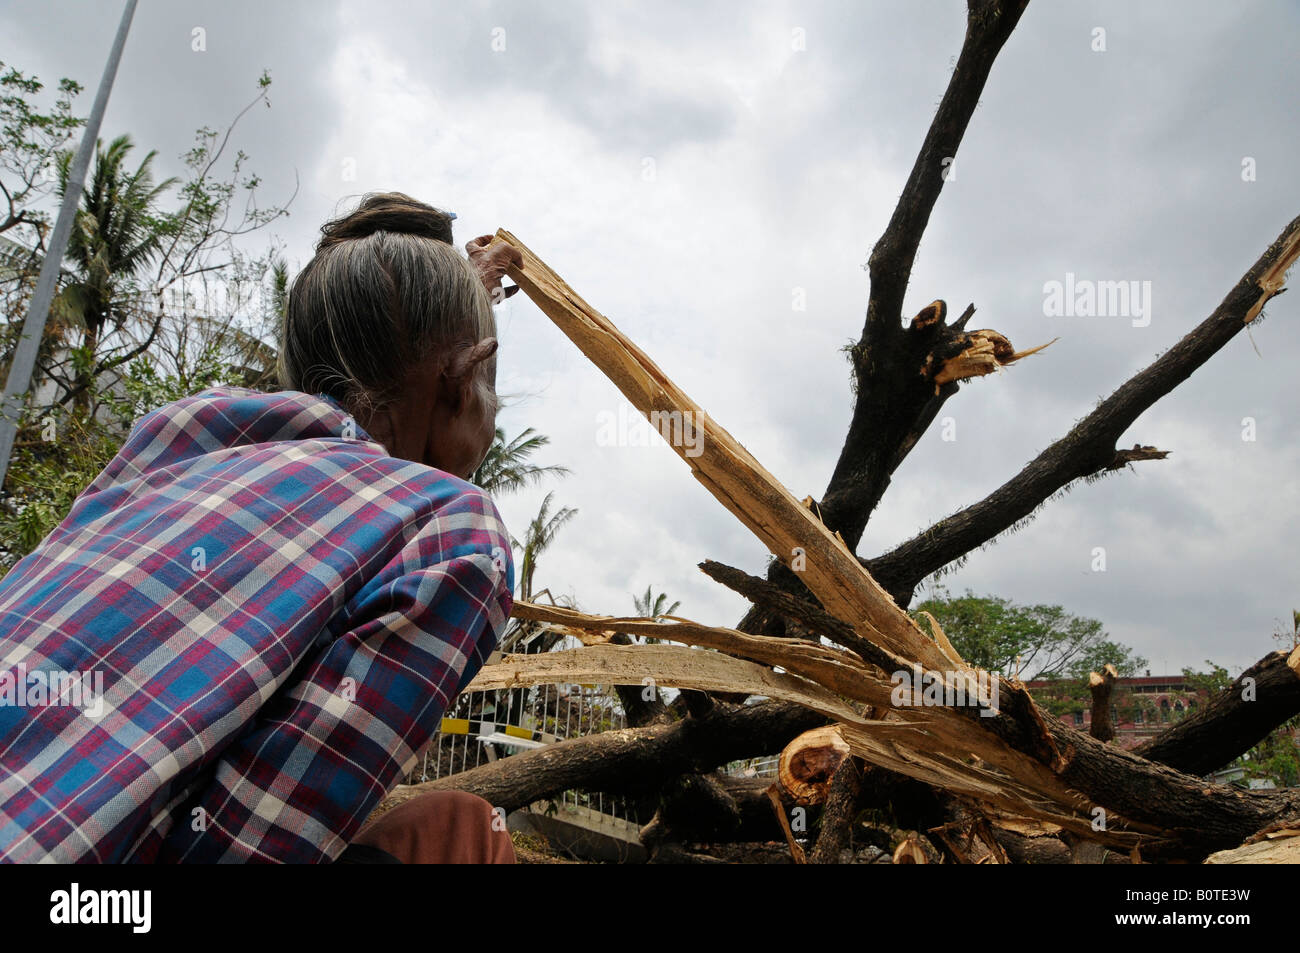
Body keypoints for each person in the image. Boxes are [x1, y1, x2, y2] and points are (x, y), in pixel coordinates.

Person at [0, 192, 523, 863]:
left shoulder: (178, 434)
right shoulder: (453, 534)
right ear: (464, 379)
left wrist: (443, 308)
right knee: (469, 836)